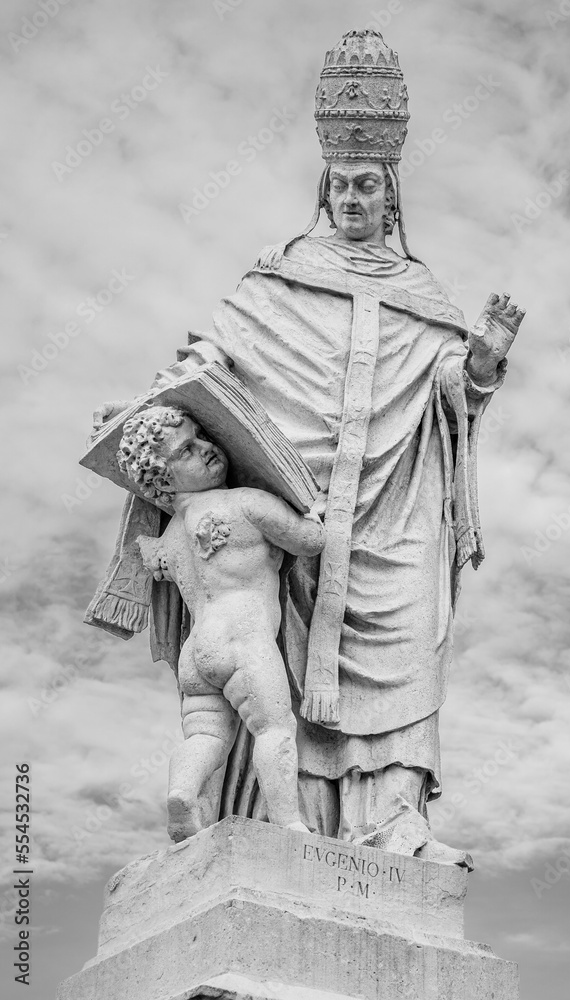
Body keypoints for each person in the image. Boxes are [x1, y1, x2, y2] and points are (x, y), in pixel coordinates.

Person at [93, 30, 524, 866]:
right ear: (322, 193)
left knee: (409, 653)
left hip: (394, 506)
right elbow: (214, 359)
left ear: (390, 199)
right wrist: (159, 399)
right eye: (342, 186)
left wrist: (479, 361)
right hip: (296, 504)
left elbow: (449, 389)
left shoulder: (420, 291)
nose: (355, 197)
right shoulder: (277, 275)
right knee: (277, 670)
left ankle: (398, 822)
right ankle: (282, 832)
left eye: (369, 186)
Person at [117, 404, 324, 842]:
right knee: (275, 728)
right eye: (187, 451)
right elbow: (309, 540)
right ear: (165, 480)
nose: (207, 449)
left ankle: (182, 793)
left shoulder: (172, 535)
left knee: (207, 734)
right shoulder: (245, 503)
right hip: (243, 637)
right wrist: (320, 508)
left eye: (201, 436)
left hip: (198, 651)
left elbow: (154, 561)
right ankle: (291, 826)